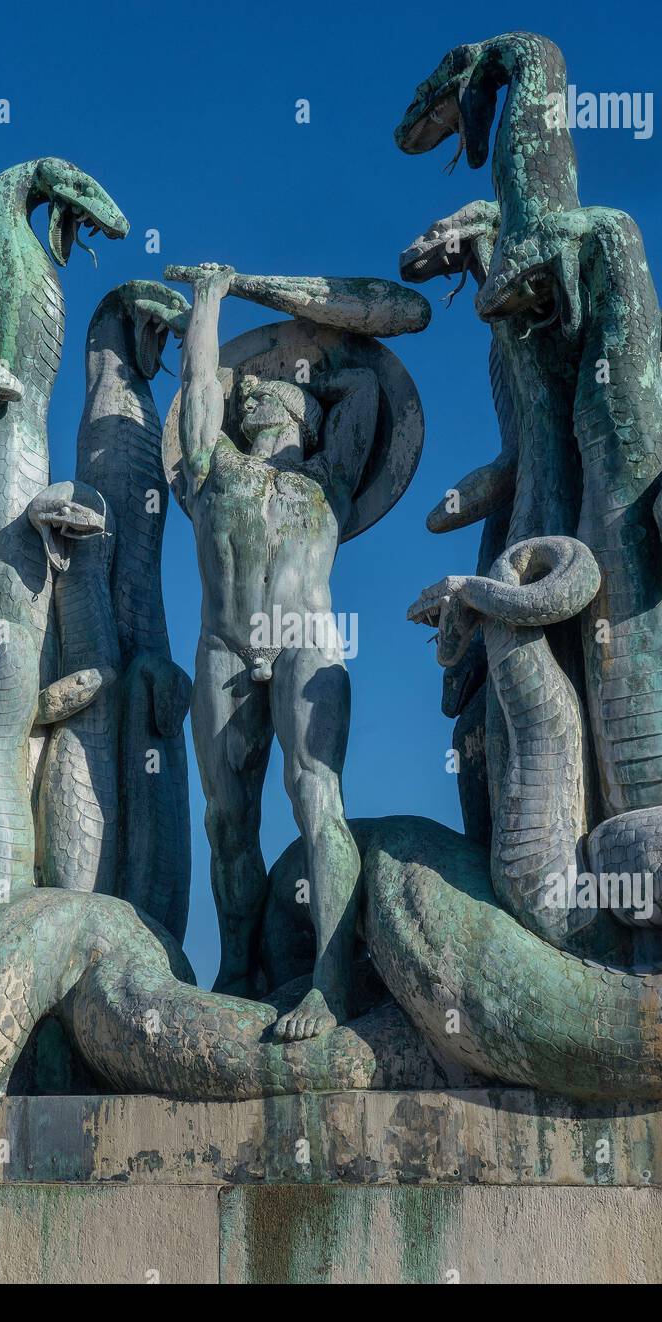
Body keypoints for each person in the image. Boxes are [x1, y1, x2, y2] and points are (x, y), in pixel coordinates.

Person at [170, 262, 378, 1041]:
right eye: (246, 388)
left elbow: (366, 386)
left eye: (272, 388)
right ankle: (237, 967)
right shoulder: (213, 471)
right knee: (228, 818)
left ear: (308, 416)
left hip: (302, 638)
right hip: (223, 643)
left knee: (315, 792)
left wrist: (306, 342)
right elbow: (197, 394)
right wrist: (211, 299)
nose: (250, 391)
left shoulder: (328, 483)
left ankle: (329, 980)